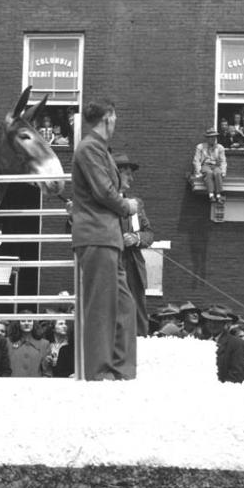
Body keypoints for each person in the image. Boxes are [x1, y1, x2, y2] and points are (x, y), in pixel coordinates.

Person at [70, 98, 139, 381]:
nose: (115, 124)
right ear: (108, 118)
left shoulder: (94, 149)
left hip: (106, 237)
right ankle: (98, 373)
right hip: (98, 235)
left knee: (124, 305)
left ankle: (120, 370)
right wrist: (127, 206)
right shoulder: (90, 149)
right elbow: (103, 191)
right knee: (101, 307)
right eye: (115, 119)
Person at [113, 152, 154, 337]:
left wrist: (136, 239)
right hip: (110, 265)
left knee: (137, 312)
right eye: (127, 173)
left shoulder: (136, 203)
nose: (132, 178)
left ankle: (139, 348)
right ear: (115, 174)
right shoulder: (100, 202)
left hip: (132, 266)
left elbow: (149, 234)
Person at [201, 305, 244, 383]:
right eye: (210, 321)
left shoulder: (236, 344)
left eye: (217, 322)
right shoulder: (203, 341)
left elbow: (236, 375)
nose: (213, 325)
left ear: (224, 323)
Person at [6, 311, 51, 377]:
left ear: (34, 323)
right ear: (18, 323)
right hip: (13, 383)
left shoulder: (44, 344)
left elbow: (47, 371)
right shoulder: (8, 342)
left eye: (30, 320)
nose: (26, 323)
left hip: (36, 384)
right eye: (23, 321)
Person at [193, 127, 227, 204]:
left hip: (215, 165)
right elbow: (196, 160)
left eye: (214, 137)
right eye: (211, 137)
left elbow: (223, 161)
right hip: (205, 165)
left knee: (218, 173)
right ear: (207, 138)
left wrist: (224, 171)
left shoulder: (220, 147)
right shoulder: (200, 147)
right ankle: (211, 194)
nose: (213, 139)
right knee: (209, 173)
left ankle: (218, 195)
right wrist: (198, 172)